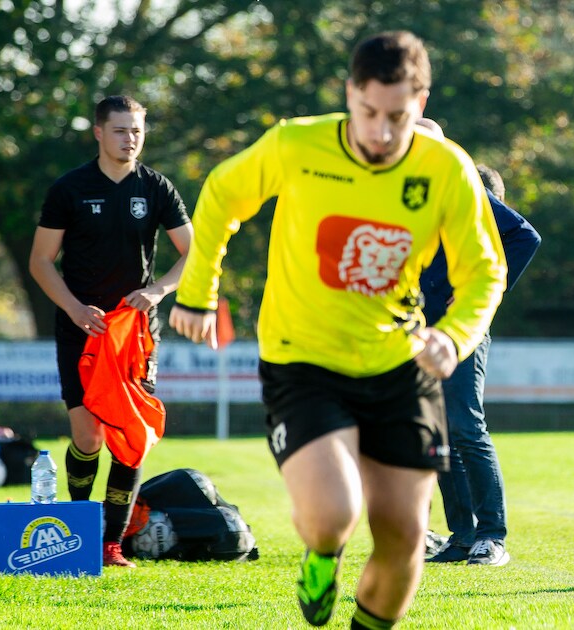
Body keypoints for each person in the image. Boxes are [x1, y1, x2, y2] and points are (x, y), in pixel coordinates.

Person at [168, 31, 506, 629]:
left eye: (398, 117)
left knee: (404, 536)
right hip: (304, 361)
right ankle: (321, 559)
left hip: (399, 364)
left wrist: (452, 336)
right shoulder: (297, 144)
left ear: (421, 104)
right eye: (369, 112)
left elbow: (486, 271)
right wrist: (198, 292)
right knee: (334, 516)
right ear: (350, 93)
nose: (380, 132)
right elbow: (222, 193)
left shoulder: (448, 169)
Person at [28, 94, 193, 569]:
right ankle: (79, 528)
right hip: (81, 327)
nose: (130, 139)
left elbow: (194, 254)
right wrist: (76, 309)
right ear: (99, 132)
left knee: (129, 434)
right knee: (88, 437)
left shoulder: (157, 188)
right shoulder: (70, 188)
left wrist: (158, 291)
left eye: (137, 131)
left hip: (135, 334)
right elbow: (41, 261)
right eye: (121, 130)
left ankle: (110, 543)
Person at [417, 151, 541, 567]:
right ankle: (463, 536)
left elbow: (527, 236)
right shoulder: (406, 188)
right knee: (440, 433)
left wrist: (481, 295)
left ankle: (492, 536)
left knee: (466, 427)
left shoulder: (459, 182)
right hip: (418, 329)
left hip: (458, 328)